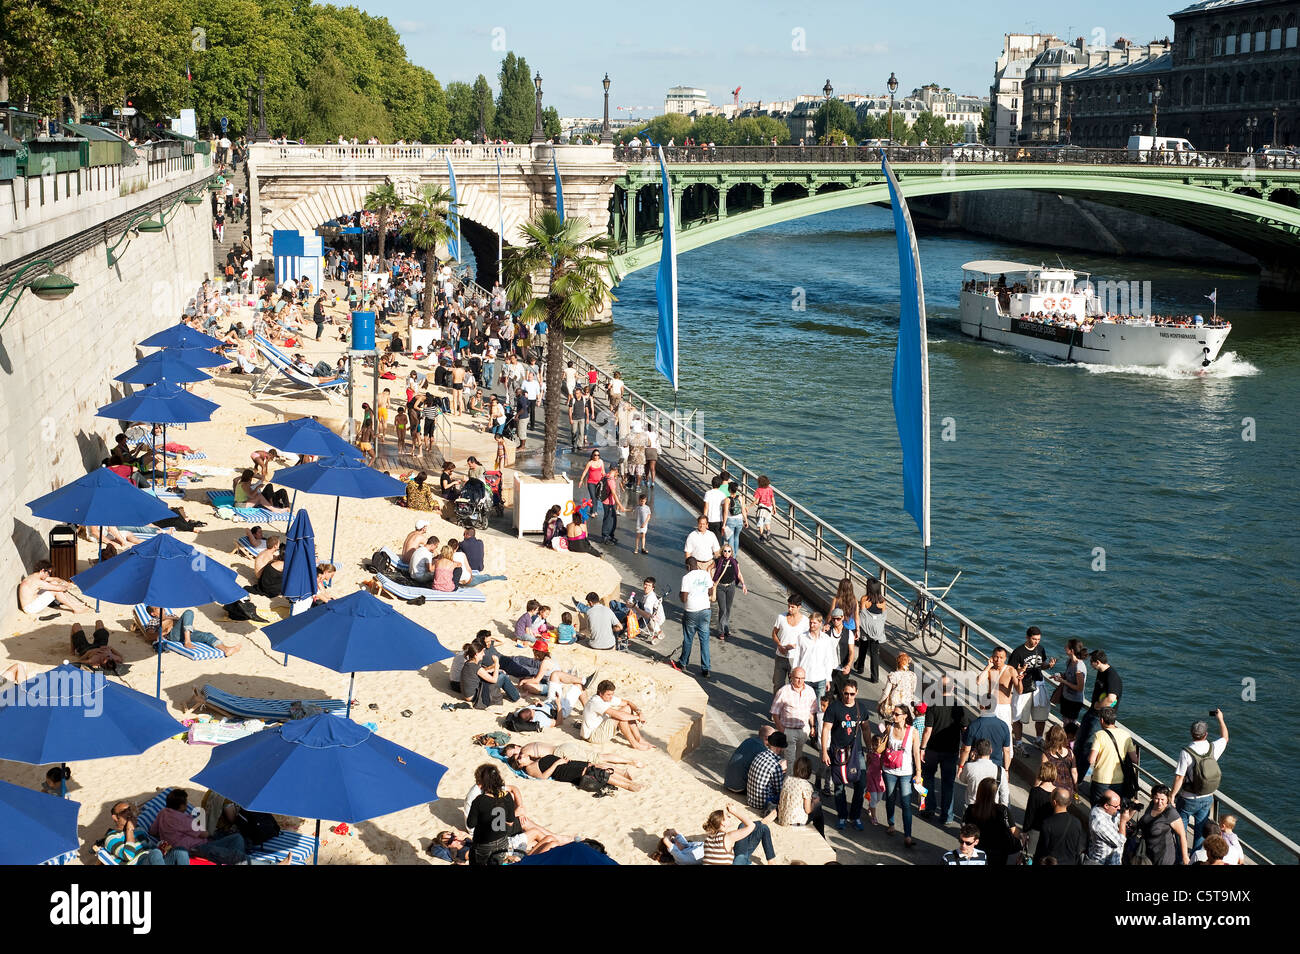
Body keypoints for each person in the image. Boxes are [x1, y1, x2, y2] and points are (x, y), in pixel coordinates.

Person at [1169, 709, 1228, 852]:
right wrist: (1220, 719)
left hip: (1188, 798)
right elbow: (1225, 737)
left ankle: (1181, 858)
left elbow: (1179, 777)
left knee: (1181, 829)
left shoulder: (1186, 752)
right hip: (1208, 796)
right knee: (1201, 830)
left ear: (1191, 734)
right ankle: (1196, 857)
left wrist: (1172, 795)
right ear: (1206, 734)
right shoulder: (1213, 747)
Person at [150, 789, 249, 864]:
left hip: (191, 847)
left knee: (237, 840)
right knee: (236, 844)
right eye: (185, 804)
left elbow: (152, 831)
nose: (186, 806)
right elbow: (205, 834)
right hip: (196, 849)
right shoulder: (183, 819)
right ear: (181, 806)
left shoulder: (162, 813)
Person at [919, 673, 967, 827]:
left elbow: (928, 730)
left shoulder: (933, 705)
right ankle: (947, 815)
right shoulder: (958, 707)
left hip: (932, 749)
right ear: (953, 688)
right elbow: (965, 728)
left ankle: (929, 808)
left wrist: (922, 748)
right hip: (951, 751)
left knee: (928, 778)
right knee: (948, 783)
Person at [821, 678, 868, 831]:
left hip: (856, 753)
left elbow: (866, 729)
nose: (848, 697)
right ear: (842, 692)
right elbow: (826, 729)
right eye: (846, 693)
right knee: (840, 786)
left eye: (852, 694)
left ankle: (855, 816)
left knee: (860, 785)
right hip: (838, 753)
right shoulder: (834, 708)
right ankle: (842, 815)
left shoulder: (861, 708)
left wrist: (871, 749)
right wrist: (824, 751)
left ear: (857, 693)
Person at [1008, 626, 1057, 749]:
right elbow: (1010, 670)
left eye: (1039, 639)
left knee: (1041, 716)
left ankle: (1039, 739)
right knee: (1018, 716)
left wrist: (1049, 666)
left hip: (1039, 685)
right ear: (1027, 637)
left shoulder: (1040, 649)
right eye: (1034, 639)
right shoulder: (1018, 652)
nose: (1037, 642)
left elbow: (1041, 665)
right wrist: (1018, 672)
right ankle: (1018, 743)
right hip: (1023, 687)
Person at [882, 705, 923, 847]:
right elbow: (883, 749)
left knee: (905, 803)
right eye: (893, 713)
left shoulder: (913, 732)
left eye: (897, 714)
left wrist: (918, 772)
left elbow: (916, 753)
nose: (894, 716)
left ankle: (907, 835)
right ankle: (891, 824)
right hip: (889, 770)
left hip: (905, 772)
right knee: (890, 798)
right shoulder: (889, 728)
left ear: (905, 716)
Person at [958, 700, 1012, 805]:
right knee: (992, 797)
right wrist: (1006, 770)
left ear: (981, 706)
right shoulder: (1004, 726)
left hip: (976, 766)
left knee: (974, 795)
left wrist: (961, 766)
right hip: (996, 768)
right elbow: (1006, 751)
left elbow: (966, 749)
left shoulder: (974, 725)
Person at [465, 765, 522, 865]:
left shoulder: (479, 800)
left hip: (483, 843)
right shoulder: (506, 795)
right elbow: (510, 821)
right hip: (502, 841)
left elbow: (470, 824)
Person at [103, 802, 190, 866]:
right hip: (138, 862)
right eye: (124, 811)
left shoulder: (139, 830)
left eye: (129, 809)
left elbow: (152, 847)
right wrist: (129, 830)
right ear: (115, 817)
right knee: (155, 853)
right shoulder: (111, 837)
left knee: (180, 851)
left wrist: (164, 847)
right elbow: (128, 855)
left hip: (154, 860)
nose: (129, 812)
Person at [1075, 649, 1122, 764]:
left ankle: (1078, 777)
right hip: (1092, 713)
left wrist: (1098, 706)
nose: (1090, 664)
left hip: (1099, 717)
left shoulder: (1112, 676)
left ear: (1097, 662)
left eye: (1091, 661)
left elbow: (1112, 699)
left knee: (1088, 746)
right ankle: (1072, 768)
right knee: (1079, 740)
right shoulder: (1101, 672)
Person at [771, 667, 819, 778]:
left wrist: (812, 726)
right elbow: (775, 712)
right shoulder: (784, 691)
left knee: (798, 758)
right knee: (790, 759)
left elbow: (812, 712)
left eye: (802, 678)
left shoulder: (810, 691)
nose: (799, 681)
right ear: (791, 677)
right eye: (797, 678)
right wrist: (782, 730)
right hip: (788, 731)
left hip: (803, 730)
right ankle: (789, 783)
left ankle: (794, 779)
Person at [963, 776, 1020, 866]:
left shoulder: (971, 809)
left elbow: (966, 830)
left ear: (979, 791)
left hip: (977, 850)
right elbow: (1014, 831)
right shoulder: (1002, 810)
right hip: (998, 852)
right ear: (995, 793)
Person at [671, 557, 714, 677]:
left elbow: (684, 598)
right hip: (705, 610)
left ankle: (683, 663)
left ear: (688, 567)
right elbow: (710, 592)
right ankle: (706, 669)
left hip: (691, 612)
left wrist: (681, 594)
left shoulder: (686, 577)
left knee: (688, 638)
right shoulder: (705, 574)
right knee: (704, 640)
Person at [580, 679, 653, 750]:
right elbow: (620, 716)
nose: (611, 697)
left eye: (612, 694)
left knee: (627, 708)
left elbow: (628, 703)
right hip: (593, 736)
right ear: (600, 693)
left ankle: (639, 738)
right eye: (608, 694)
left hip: (602, 728)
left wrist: (639, 712)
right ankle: (635, 744)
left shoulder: (606, 697)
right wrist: (638, 717)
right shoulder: (596, 702)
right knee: (620, 718)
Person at [145, 607, 241, 656]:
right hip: (172, 635)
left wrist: (171, 619)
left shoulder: (172, 615)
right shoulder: (154, 621)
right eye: (158, 608)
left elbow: (185, 621)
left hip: (185, 632)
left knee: (207, 635)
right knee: (188, 612)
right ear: (153, 613)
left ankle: (226, 649)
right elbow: (149, 636)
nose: (162, 608)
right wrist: (164, 631)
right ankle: (187, 641)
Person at [702, 805, 778, 865]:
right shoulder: (727, 837)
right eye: (728, 816)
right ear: (722, 823)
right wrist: (735, 811)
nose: (730, 817)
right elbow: (751, 826)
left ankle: (762, 823)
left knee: (744, 826)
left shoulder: (708, 839)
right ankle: (771, 861)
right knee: (762, 828)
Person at [1135, 784, 1190, 865]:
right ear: (1152, 797)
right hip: (1148, 852)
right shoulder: (1152, 805)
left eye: (1162, 799)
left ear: (1167, 799)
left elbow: (1182, 835)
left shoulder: (1171, 813)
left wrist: (1185, 857)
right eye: (1156, 798)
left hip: (1164, 857)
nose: (1159, 802)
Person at [1033, 787, 1084, 865]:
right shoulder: (1077, 822)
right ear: (1069, 803)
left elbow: (1041, 850)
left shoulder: (1047, 823)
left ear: (1054, 802)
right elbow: (1077, 848)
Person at [18, 562, 90, 615]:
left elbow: (55, 579)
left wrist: (63, 582)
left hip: (31, 601)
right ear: (42, 571)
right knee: (56, 591)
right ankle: (76, 609)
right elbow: (58, 588)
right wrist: (67, 586)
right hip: (30, 608)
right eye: (48, 573)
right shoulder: (38, 582)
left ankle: (76, 604)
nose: (49, 575)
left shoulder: (34, 576)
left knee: (54, 584)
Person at [1085, 790, 1135, 865]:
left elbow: (1121, 818)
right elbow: (1120, 841)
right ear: (1106, 805)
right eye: (1116, 806)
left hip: (1113, 859)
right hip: (1104, 861)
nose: (1119, 808)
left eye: (1119, 805)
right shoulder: (1099, 822)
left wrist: (1132, 810)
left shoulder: (1103, 808)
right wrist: (1123, 822)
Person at [771, 593, 808, 693]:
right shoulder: (781, 617)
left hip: (795, 659)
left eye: (792, 607)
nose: (789, 609)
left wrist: (794, 646)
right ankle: (777, 706)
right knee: (778, 685)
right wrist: (779, 645)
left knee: (795, 686)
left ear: (799, 607)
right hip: (780, 657)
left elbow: (807, 640)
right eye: (788, 606)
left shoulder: (805, 622)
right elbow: (774, 634)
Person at [976, 646, 1017, 736]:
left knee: (1005, 732)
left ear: (1005, 658)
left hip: (1004, 707)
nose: (998, 660)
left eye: (1001, 657)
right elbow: (979, 681)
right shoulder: (990, 669)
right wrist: (989, 666)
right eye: (996, 657)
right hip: (991, 706)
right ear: (992, 657)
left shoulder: (1010, 670)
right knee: (988, 731)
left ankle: (1006, 750)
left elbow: (1019, 689)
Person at [778, 756, 824, 835]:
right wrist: (814, 802)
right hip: (796, 823)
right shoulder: (806, 785)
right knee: (818, 807)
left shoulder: (787, 779)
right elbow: (808, 810)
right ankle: (822, 836)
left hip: (783, 818)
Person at [746, 731, 787, 812]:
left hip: (750, 799)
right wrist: (782, 773)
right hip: (763, 803)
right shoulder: (776, 766)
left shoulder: (759, 754)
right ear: (779, 748)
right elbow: (780, 789)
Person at [725, 726, 774, 794]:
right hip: (740, 788)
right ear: (767, 738)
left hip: (728, 783)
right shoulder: (763, 750)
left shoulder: (748, 740)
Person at [855, 579, 887, 683]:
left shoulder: (864, 599)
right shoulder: (882, 601)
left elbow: (862, 614)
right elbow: (883, 617)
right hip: (876, 632)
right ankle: (875, 677)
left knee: (863, 647)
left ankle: (860, 667)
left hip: (865, 629)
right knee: (874, 653)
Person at [1041, 723, 1078, 799]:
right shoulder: (1070, 752)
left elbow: (1044, 773)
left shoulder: (1047, 754)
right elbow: (1074, 772)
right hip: (1067, 790)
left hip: (1053, 789)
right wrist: (1076, 789)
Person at [879, 651, 917, 718]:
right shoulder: (913, 675)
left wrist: (880, 702)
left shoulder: (893, 676)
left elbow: (886, 693)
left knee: (892, 723)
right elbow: (913, 690)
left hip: (895, 706)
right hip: (908, 706)